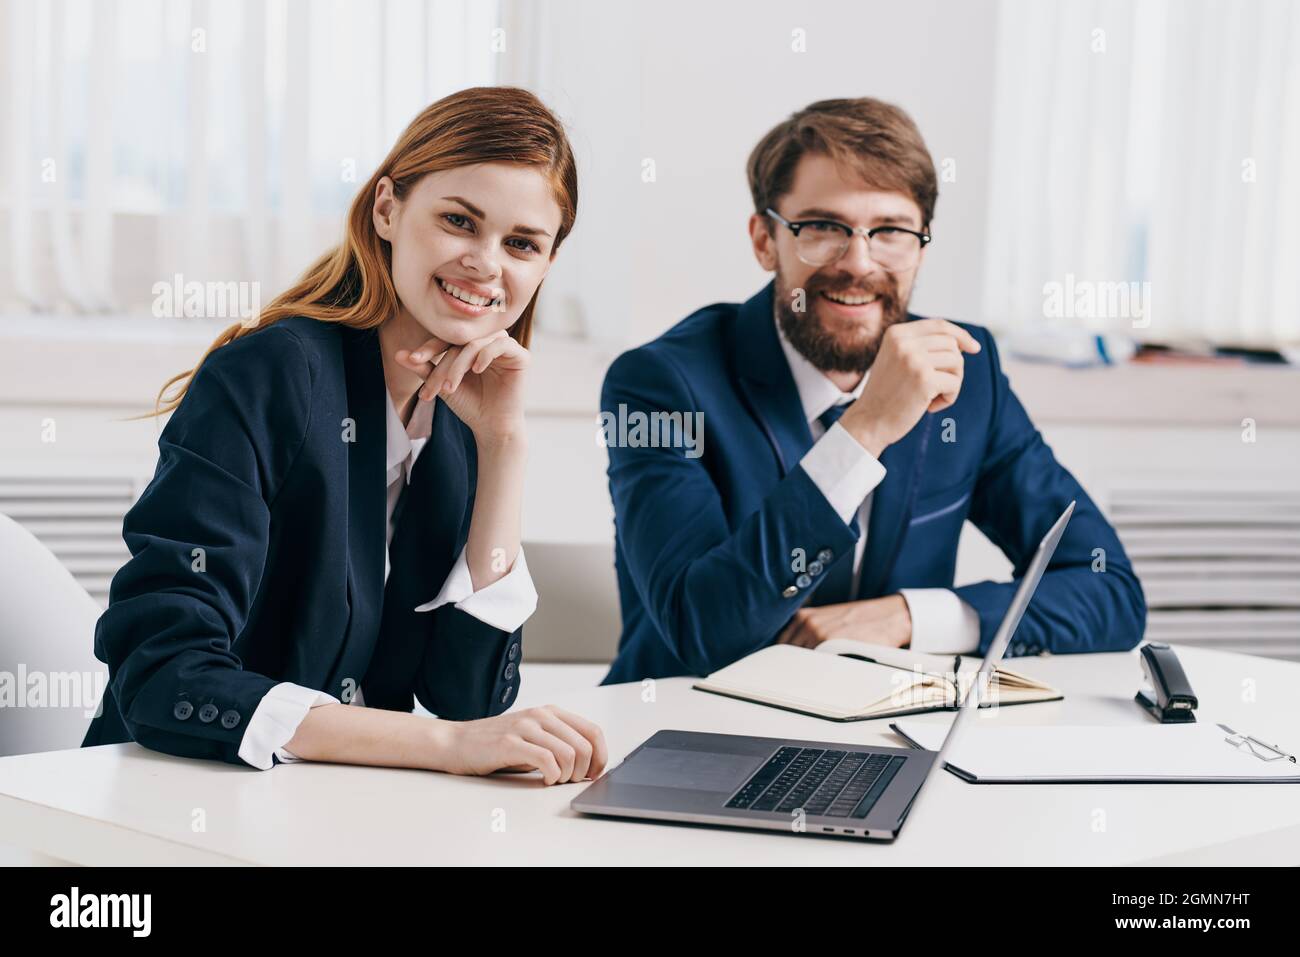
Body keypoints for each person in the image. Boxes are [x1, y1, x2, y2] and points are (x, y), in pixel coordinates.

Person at [83, 87, 606, 786]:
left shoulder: (461, 419)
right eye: (459, 220)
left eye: (521, 243)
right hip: (174, 796)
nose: (486, 262)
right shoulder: (273, 373)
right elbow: (164, 673)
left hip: (331, 813)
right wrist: (446, 747)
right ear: (387, 208)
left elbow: (469, 696)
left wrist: (504, 445)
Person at [601, 97, 1146, 683]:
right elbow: (701, 629)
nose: (859, 263)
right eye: (823, 228)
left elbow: (1109, 588)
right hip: (687, 738)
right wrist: (864, 432)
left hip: (888, 737)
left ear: (920, 243)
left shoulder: (969, 373)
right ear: (765, 240)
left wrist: (910, 617)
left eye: (890, 230)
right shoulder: (659, 385)